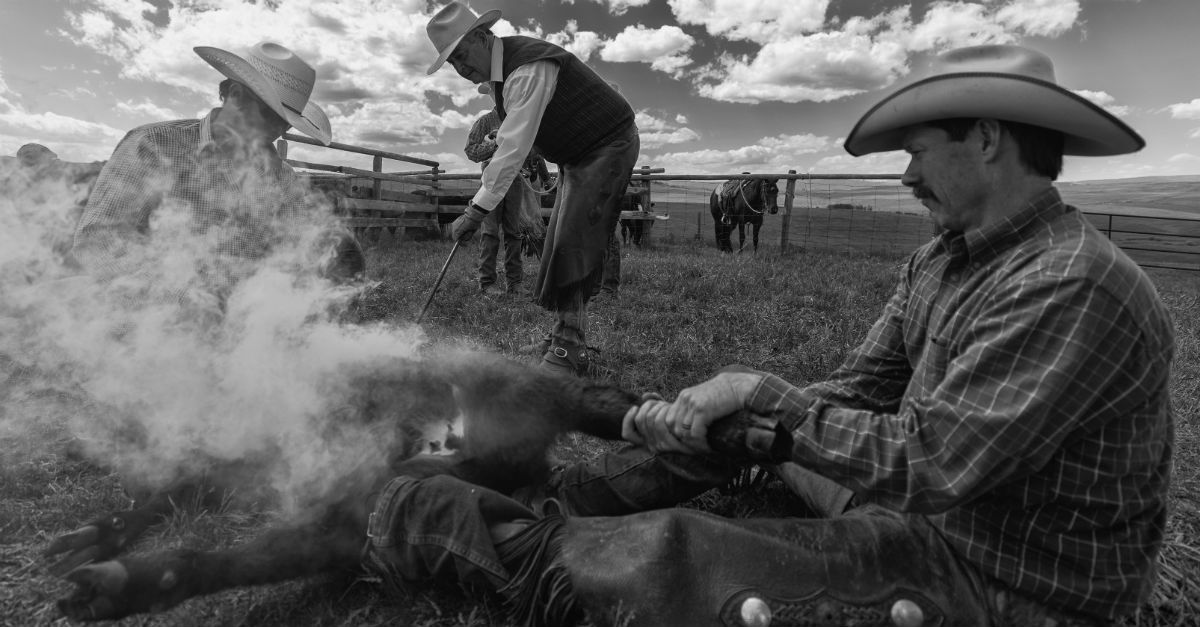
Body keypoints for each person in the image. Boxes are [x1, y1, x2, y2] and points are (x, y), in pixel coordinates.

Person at [359, 44, 1174, 627]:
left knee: (675, 554)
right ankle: (568, 498)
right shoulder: (944, 258)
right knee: (748, 435)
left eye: (919, 151)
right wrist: (717, 418)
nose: (908, 175)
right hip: (932, 509)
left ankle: (415, 519)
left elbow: (935, 461)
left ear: (989, 140)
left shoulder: (1072, 283)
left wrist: (761, 392)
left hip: (1002, 578)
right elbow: (857, 392)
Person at [426, 2, 640, 376]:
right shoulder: (503, 75)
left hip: (609, 142)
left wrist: (475, 210)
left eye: (461, 56)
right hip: (578, 155)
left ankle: (569, 347)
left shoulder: (525, 68)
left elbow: (513, 147)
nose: (460, 69)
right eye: (453, 64)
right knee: (558, 238)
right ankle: (565, 336)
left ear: (482, 36)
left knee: (573, 236)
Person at [71, 41, 362, 309]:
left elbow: (299, 248)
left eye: (285, 125)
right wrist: (180, 296)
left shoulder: (281, 177)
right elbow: (98, 241)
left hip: (248, 332)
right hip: (148, 324)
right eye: (270, 116)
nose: (277, 131)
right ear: (235, 96)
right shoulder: (153, 145)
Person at [464, 83, 545, 297]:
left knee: (514, 232)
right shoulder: (485, 122)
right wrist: (494, 146)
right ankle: (487, 282)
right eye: (496, 92)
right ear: (492, 95)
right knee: (490, 232)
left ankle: (514, 283)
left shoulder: (519, 122)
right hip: (492, 180)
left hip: (515, 179)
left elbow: (531, 150)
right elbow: (471, 151)